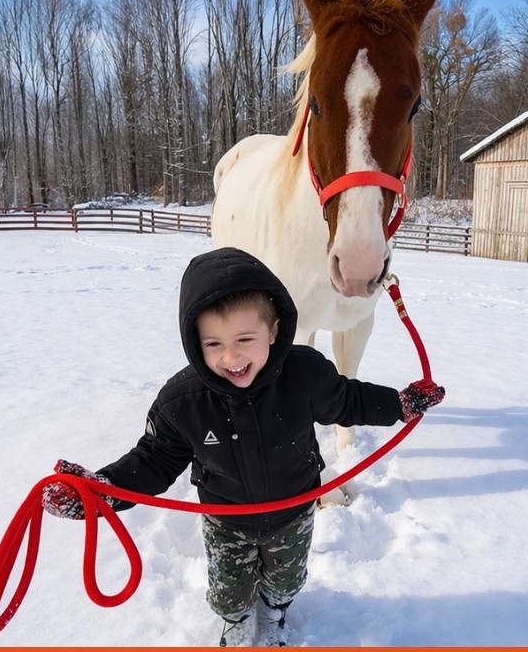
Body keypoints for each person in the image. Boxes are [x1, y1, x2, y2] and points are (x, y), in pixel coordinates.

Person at [42, 247, 444, 646]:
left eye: (245, 339)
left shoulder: (305, 374)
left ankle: (274, 612)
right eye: (213, 344)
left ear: (273, 331)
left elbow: (348, 400)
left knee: (286, 577)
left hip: (293, 512)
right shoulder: (183, 402)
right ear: (194, 341)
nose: (231, 356)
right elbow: (154, 460)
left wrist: (400, 404)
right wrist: (101, 491)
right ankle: (235, 621)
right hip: (225, 519)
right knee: (228, 589)